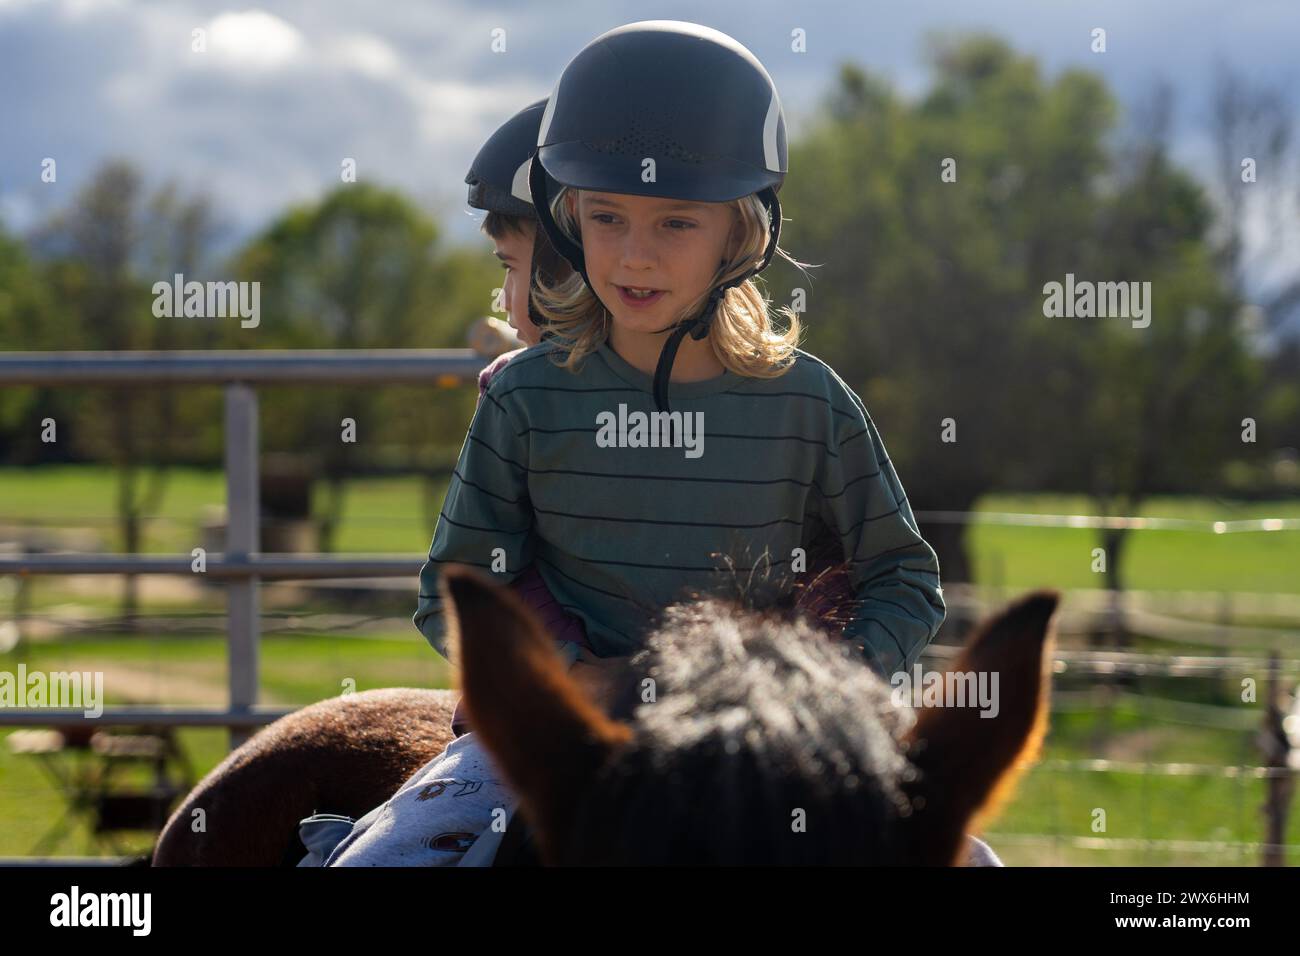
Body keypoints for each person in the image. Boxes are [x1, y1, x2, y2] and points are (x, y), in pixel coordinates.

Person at [326, 20, 948, 867]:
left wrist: (820, 697)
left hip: (761, 753)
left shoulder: (811, 403)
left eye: (675, 225)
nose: (633, 256)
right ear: (568, 216)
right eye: (607, 216)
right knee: (382, 864)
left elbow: (904, 578)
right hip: (554, 745)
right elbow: (454, 588)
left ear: (740, 234)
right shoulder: (523, 398)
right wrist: (575, 679)